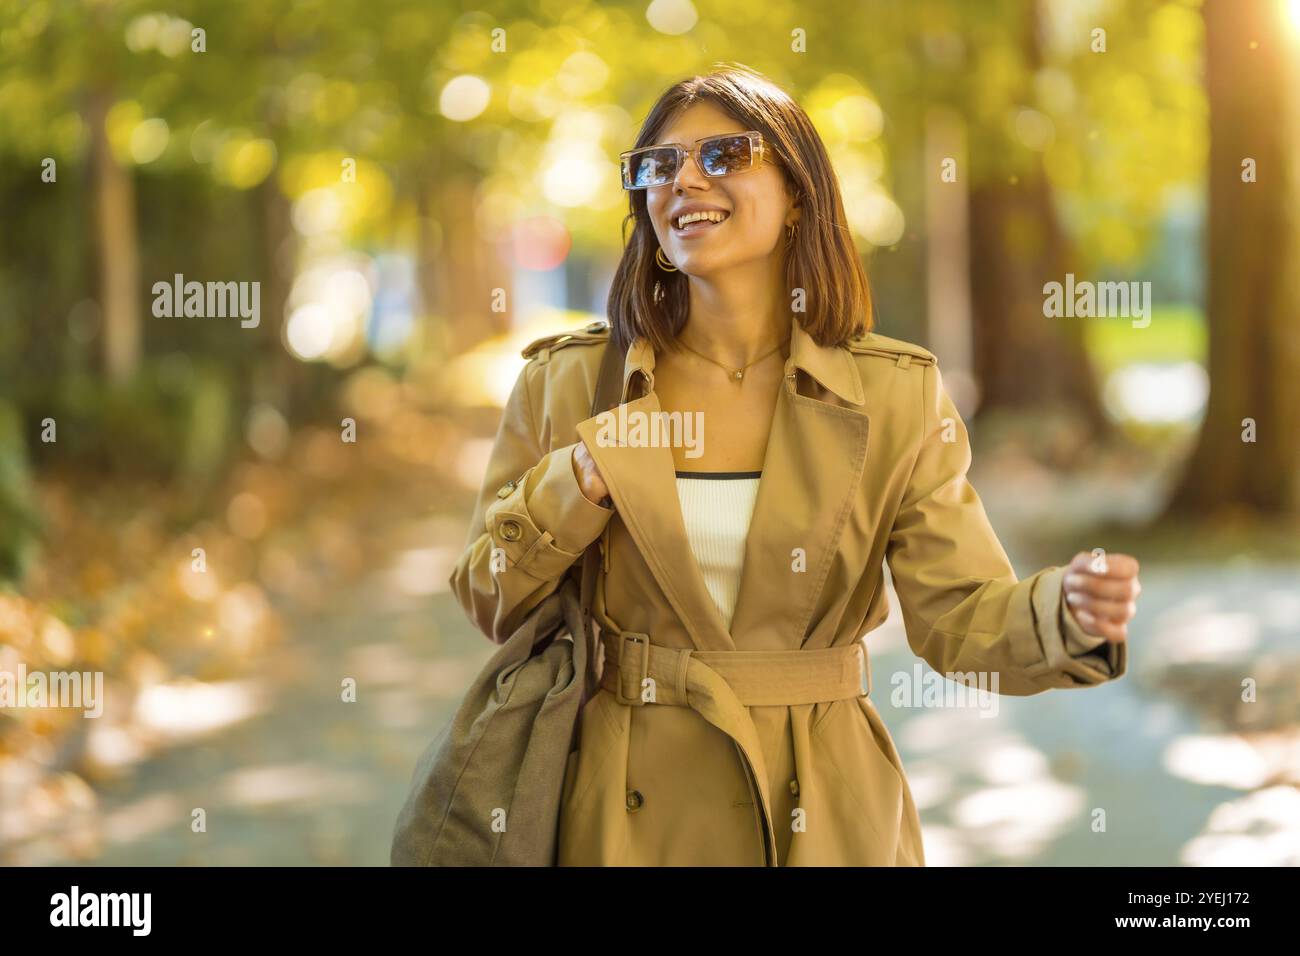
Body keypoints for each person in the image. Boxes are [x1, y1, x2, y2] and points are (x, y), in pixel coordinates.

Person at [449, 65, 1140, 866]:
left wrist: (1065, 615)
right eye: (660, 165)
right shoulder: (566, 380)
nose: (685, 181)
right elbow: (486, 588)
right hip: (619, 815)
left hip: (822, 813)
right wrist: (578, 481)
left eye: (724, 154)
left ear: (799, 191)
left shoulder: (894, 393)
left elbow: (956, 615)